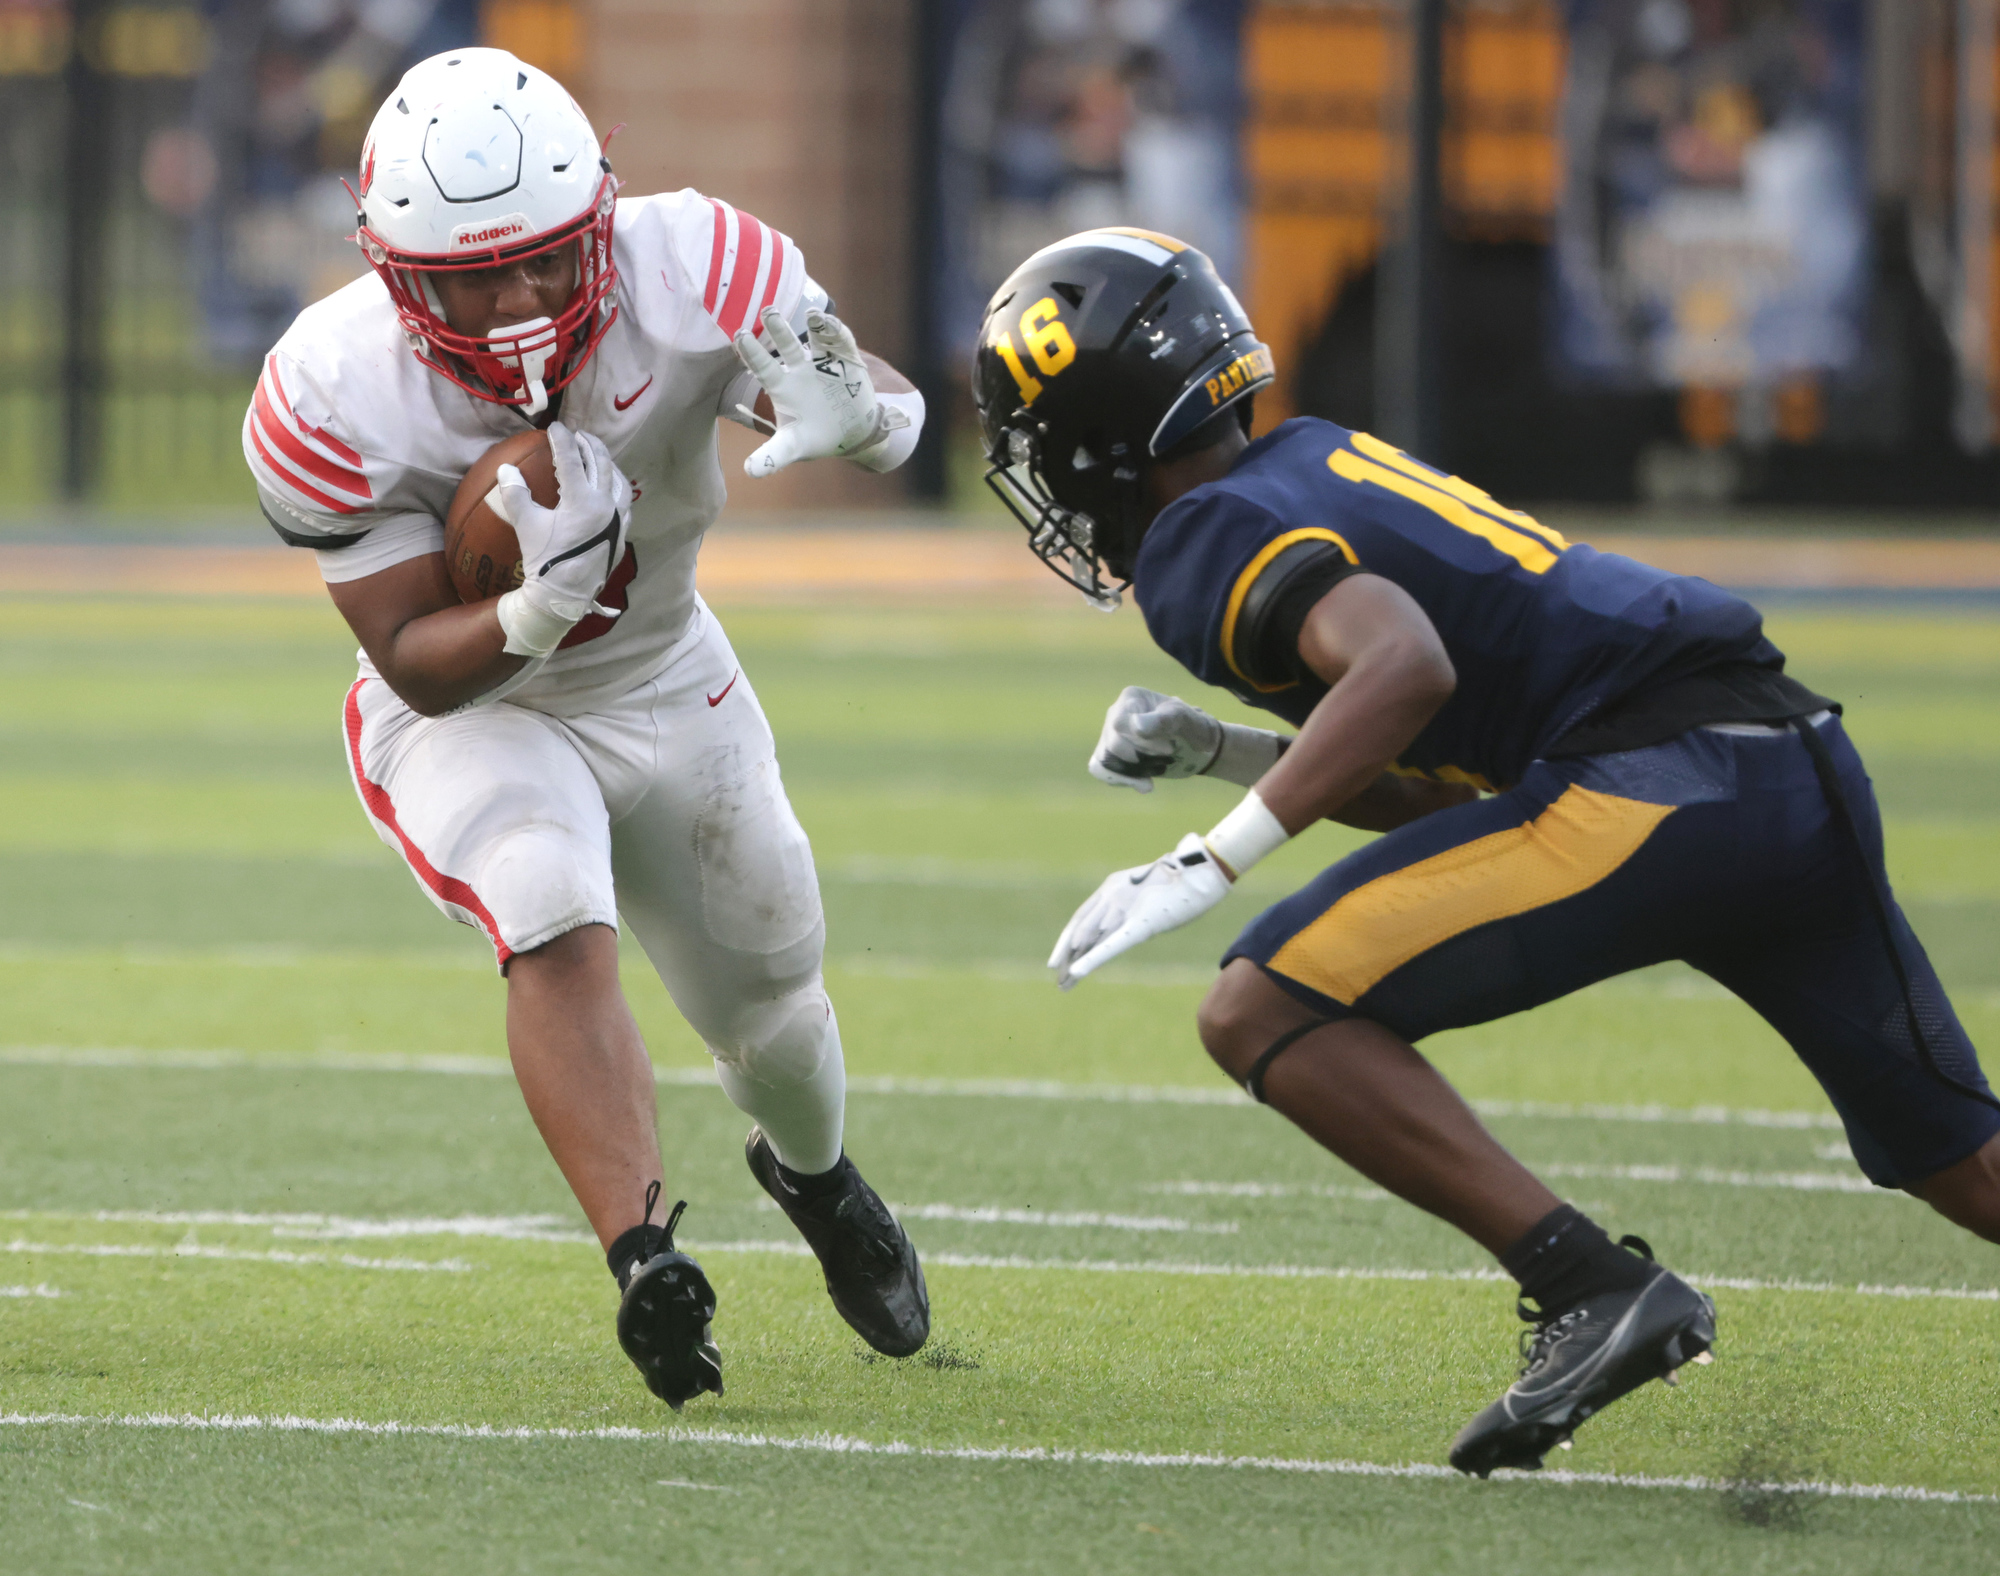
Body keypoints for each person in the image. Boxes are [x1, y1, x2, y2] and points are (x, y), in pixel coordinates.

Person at [971, 226, 2000, 1473]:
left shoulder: (1196, 541)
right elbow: (1433, 778)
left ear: (1100, 432)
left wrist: (1211, 859)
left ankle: (1588, 1284)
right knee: (1971, 1167)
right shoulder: (1308, 459)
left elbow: (1403, 666)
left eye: (1034, 440)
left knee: (1259, 1009)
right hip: (1784, 759)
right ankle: (1594, 1289)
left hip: (1657, 782)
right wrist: (1223, 754)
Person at [243, 48, 931, 1407]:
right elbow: (410, 659)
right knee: (547, 898)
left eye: (544, 264)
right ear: (391, 272)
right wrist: (534, 612)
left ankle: (816, 1176)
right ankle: (643, 1256)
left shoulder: (698, 269)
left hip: (664, 673)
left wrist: (873, 421)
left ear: (602, 220)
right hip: (474, 708)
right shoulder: (330, 390)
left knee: (774, 996)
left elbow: (881, 406)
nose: (510, 307)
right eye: (466, 280)